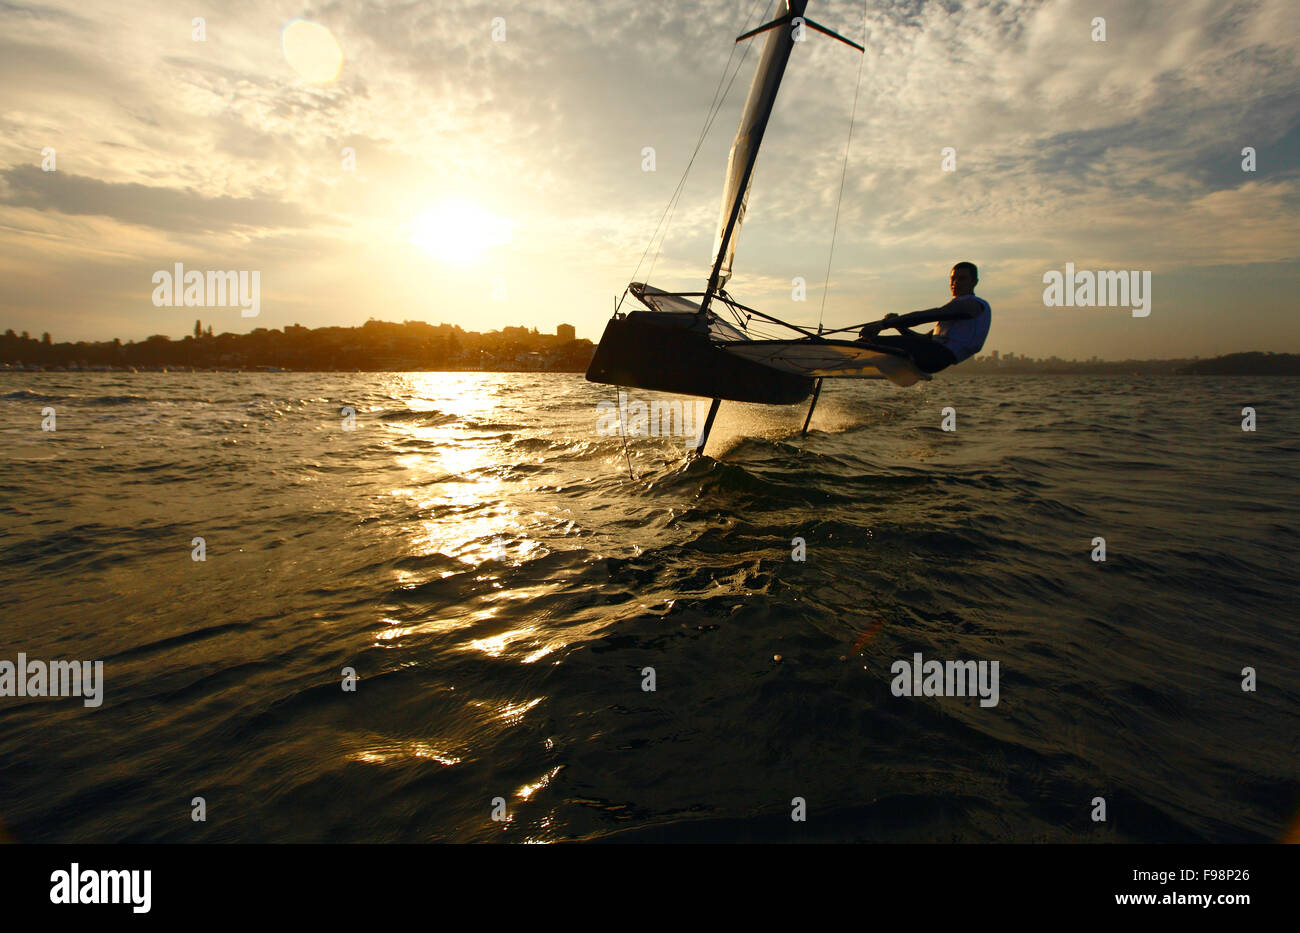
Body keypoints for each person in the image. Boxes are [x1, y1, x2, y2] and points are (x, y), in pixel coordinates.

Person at [856, 262, 991, 373]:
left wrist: (884, 324)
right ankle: (853, 364)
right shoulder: (953, 320)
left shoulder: (974, 304)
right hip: (931, 357)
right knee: (868, 342)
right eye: (953, 278)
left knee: (866, 344)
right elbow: (921, 340)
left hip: (938, 356)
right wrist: (898, 325)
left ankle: (845, 359)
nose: (955, 282)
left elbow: (927, 316)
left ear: (974, 282)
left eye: (962, 278)